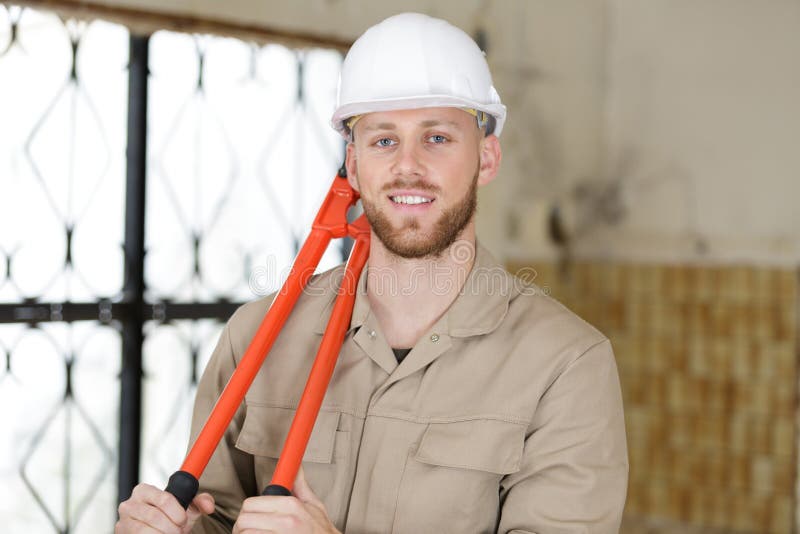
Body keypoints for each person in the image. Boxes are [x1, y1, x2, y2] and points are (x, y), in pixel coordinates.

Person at [116, 12, 628, 534]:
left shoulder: (566, 366)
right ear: (353, 165)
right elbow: (217, 519)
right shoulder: (255, 336)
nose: (408, 165)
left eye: (437, 138)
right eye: (384, 140)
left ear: (487, 158)